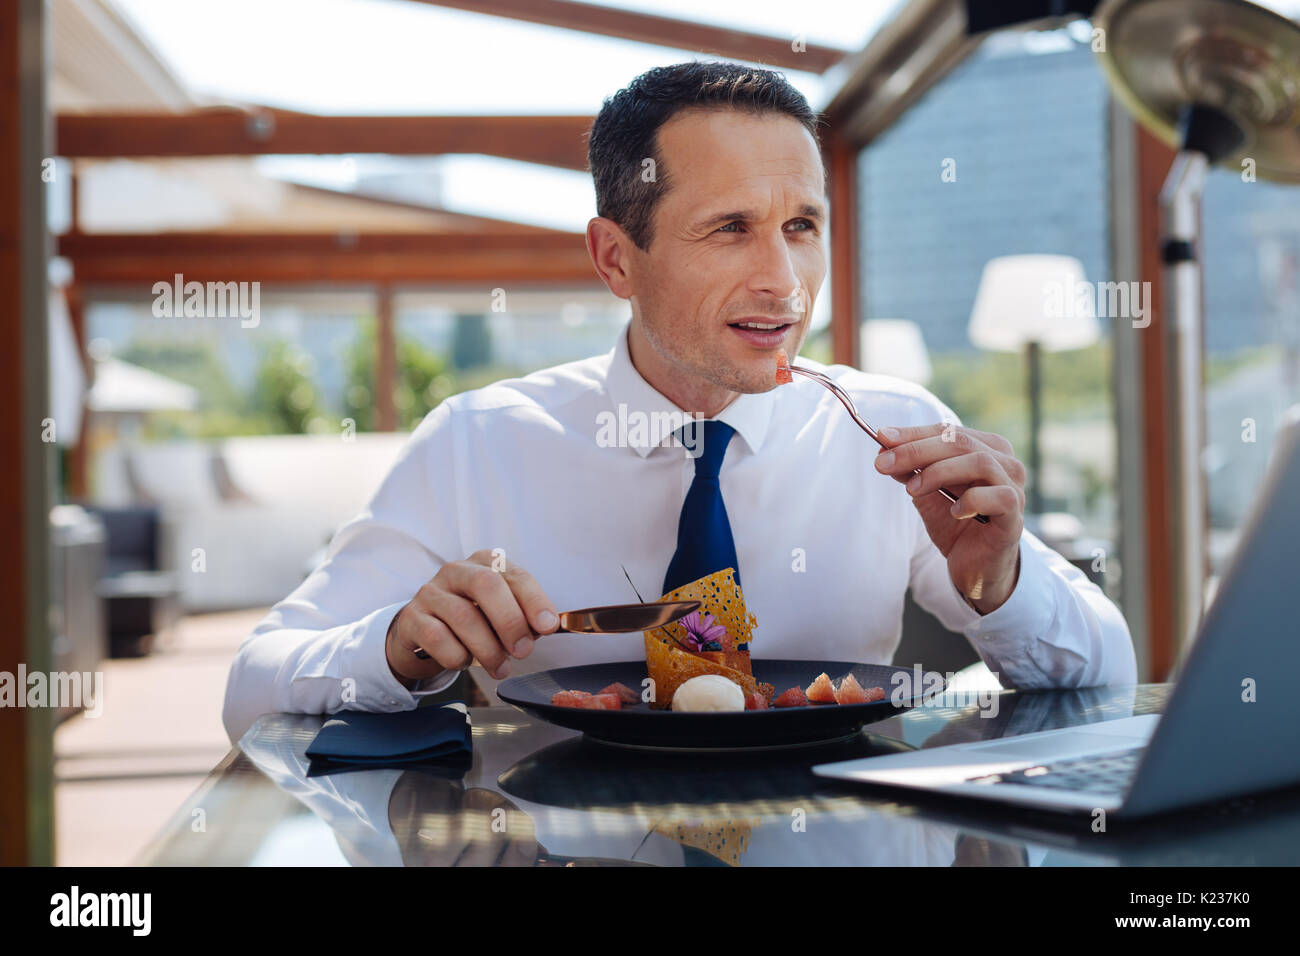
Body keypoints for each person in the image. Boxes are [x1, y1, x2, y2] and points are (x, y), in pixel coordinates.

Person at [222, 61, 1136, 745]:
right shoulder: (478, 442)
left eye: (801, 227)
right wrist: (395, 649)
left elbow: (1108, 672)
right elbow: (252, 688)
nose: (783, 281)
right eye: (731, 229)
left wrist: (997, 579)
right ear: (616, 258)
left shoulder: (894, 422)